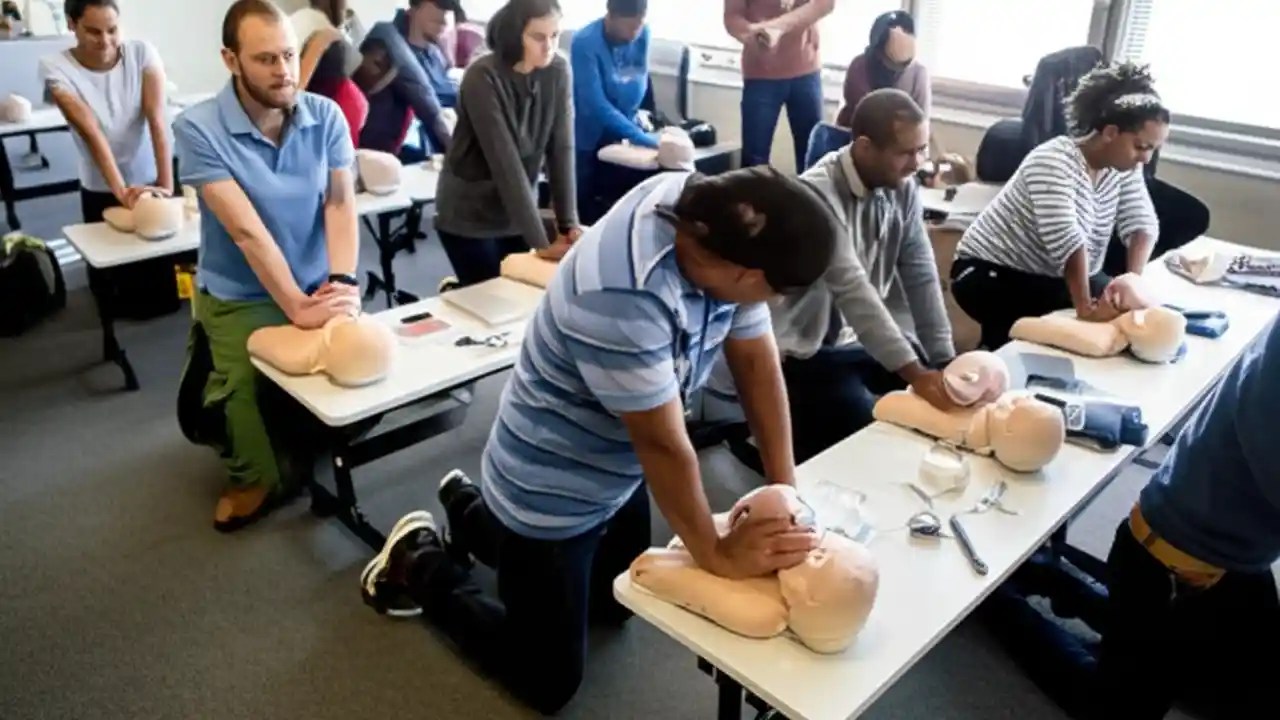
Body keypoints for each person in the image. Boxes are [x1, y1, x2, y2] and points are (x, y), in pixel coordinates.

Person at [360, 165, 840, 714]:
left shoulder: (718, 223)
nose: (771, 304)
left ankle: (470, 510)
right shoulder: (624, 292)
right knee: (548, 682)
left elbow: (756, 363)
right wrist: (715, 554)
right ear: (744, 271)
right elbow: (663, 445)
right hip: (551, 479)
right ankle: (418, 562)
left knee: (617, 600)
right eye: (773, 291)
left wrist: (785, 493)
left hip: (617, 461)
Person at [174, 0, 360, 531]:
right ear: (230, 60)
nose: (284, 71)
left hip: (315, 279)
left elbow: (340, 203)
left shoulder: (325, 115)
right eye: (265, 59)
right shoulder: (198, 127)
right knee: (249, 428)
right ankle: (254, 473)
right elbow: (246, 231)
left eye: (289, 55)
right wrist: (295, 306)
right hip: (240, 294)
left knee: (354, 375)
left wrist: (341, 283)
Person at [711, 88, 955, 463]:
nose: (918, 163)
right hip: (801, 354)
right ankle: (764, 446)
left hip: (851, 343)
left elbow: (920, 275)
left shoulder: (903, 189)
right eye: (906, 153)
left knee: (931, 378)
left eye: (922, 150)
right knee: (864, 429)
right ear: (865, 147)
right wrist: (918, 375)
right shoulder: (815, 194)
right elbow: (854, 290)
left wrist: (944, 361)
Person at [949, 62, 1166, 350]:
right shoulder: (1053, 160)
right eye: (1141, 147)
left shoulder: (1123, 166)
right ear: (1110, 133)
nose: (1146, 159)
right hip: (992, 272)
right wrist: (1085, 310)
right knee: (1048, 342)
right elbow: (1069, 241)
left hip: (1053, 275)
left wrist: (1131, 283)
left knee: (1124, 318)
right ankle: (994, 350)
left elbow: (1141, 224)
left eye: (1152, 149)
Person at [433, 0, 578, 289]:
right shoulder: (482, 76)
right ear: (515, 34)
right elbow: (505, 163)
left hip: (518, 211)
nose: (548, 46)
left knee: (521, 295)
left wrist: (568, 225)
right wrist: (540, 244)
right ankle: (455, 289)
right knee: (489, 296)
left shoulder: (558, 69)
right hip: (469, 213)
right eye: (538, 37)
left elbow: (561, 149)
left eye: (555, 36)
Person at [41, 0, 171, 222]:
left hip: (149, 178)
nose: (105, 41)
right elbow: (92, 133)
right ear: (71, 24)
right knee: (105, 242)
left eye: (112, 30)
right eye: (93, 32)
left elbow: (157, 120)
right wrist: (121, 192)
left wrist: (165, 186)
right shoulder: (55, 67)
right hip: (100, 186)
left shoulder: (142, 53)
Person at [570, 0, 655, 225]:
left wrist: (636, 125)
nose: (634, 34)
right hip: (586, 132)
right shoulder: (585, 42)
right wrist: (639, 137)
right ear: (611, 17)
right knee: (582, 204)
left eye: (638, 26)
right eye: (628, 27)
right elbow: (594, 104)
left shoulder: (643, 34)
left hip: (625, 126)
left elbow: (639, 82)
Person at [724, 0, 834, 168]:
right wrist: (753, 34)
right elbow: (732, 18)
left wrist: (777, 28)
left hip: (806, 71)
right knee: (754, 160)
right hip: (760, 74)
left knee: (813, 159)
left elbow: (824, 4)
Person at [354, 15, 455, 155]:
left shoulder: (433, 54)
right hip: (369, 151)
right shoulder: (386, 35)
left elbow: (437, 94)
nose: (443, 20)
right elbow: (425, 96)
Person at [291, 0, 368, 147]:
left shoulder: (344, 26)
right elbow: (293, 93)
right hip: (318, 123)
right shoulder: (309, 22)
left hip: (337, 120)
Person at [835, 10, 929, 129]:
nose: (896, 70)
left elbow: (920, 123)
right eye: (890, 64)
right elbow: (863, 117)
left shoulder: (918, 75)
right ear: (878, 52)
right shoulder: (859, 67)